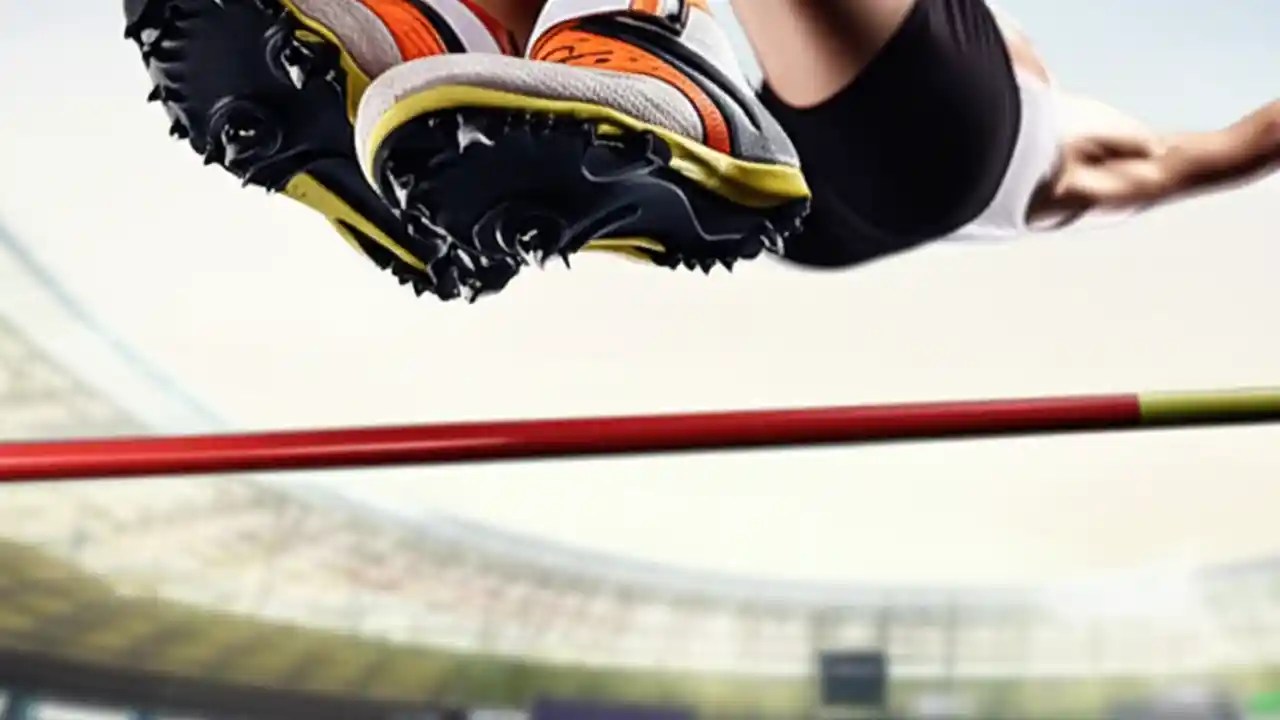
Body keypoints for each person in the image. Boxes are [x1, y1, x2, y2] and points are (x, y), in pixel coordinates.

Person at [123, 0, 1280, 302]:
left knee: (712, 107)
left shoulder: (1074, 141)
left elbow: (1238, 143)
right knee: (678, 114)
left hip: (934, 163)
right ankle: (445, 45)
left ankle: (649, 63)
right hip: (810, 197)